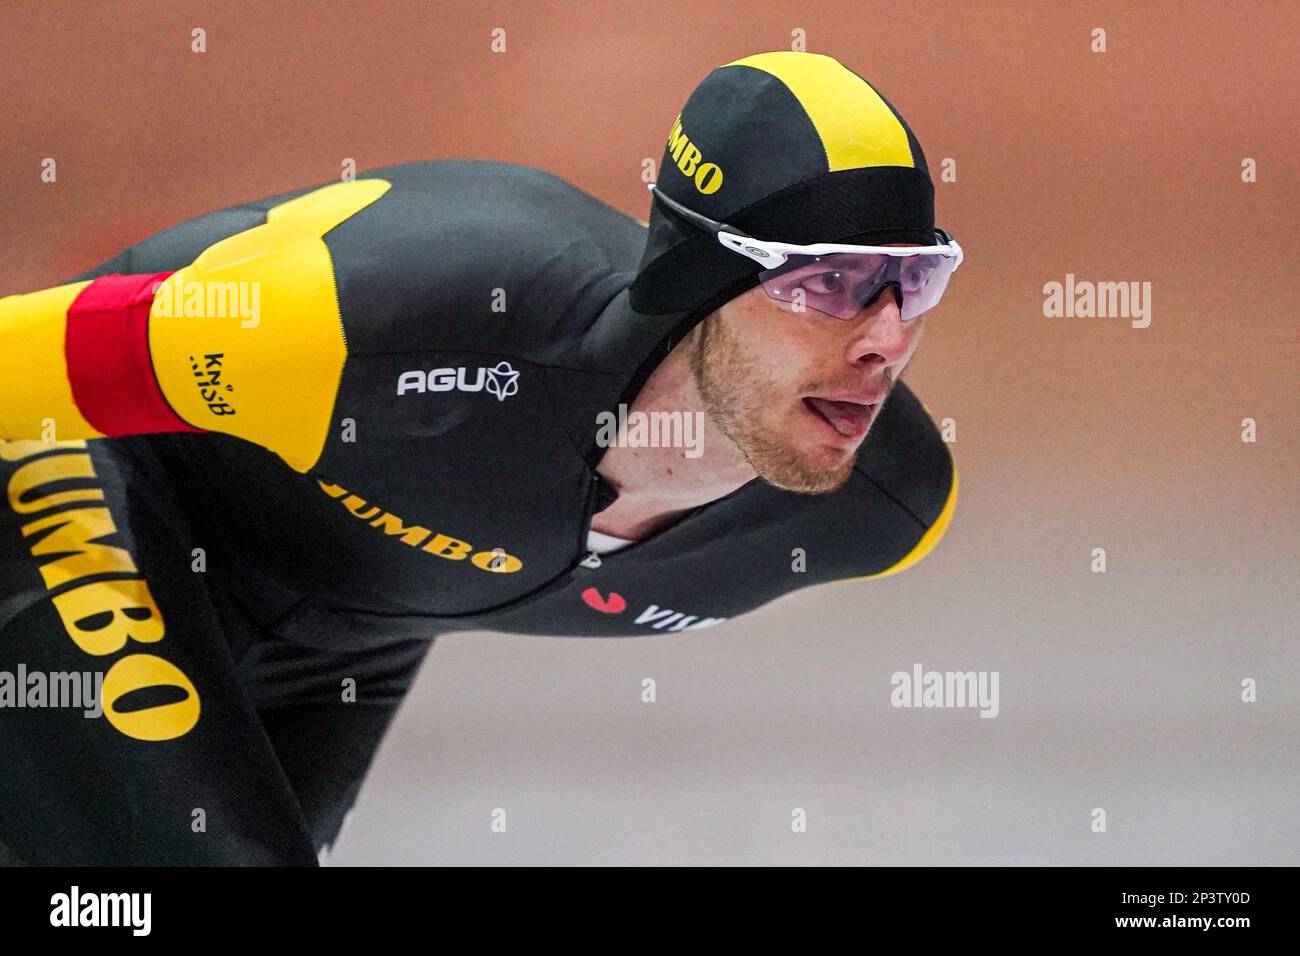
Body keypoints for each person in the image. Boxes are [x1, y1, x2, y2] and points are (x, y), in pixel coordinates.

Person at [0, 50, 962, 865]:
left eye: (915, 280)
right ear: (702, 277)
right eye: (834, 281)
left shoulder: (882, 504)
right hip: (90, 470)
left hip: (340, 635)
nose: (887, 337)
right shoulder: (389, 324)